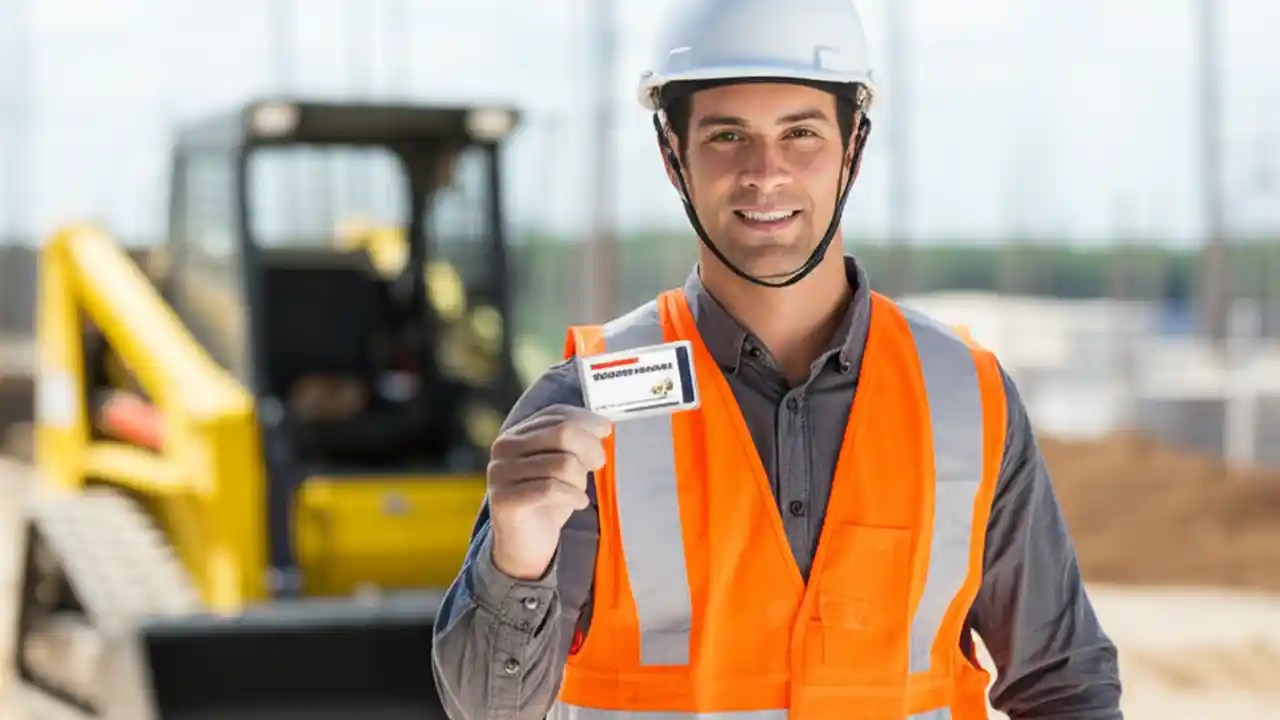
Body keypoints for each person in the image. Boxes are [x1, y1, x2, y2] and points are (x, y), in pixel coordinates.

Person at [432, 0, 1123, 717]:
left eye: (800, 133)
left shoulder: (963, 397)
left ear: (852, 145)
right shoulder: (591, 402)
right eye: (728, 136)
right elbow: (488, 709)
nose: (766, 173)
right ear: (675, 158)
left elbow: (1063, 684)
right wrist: (516, 552)